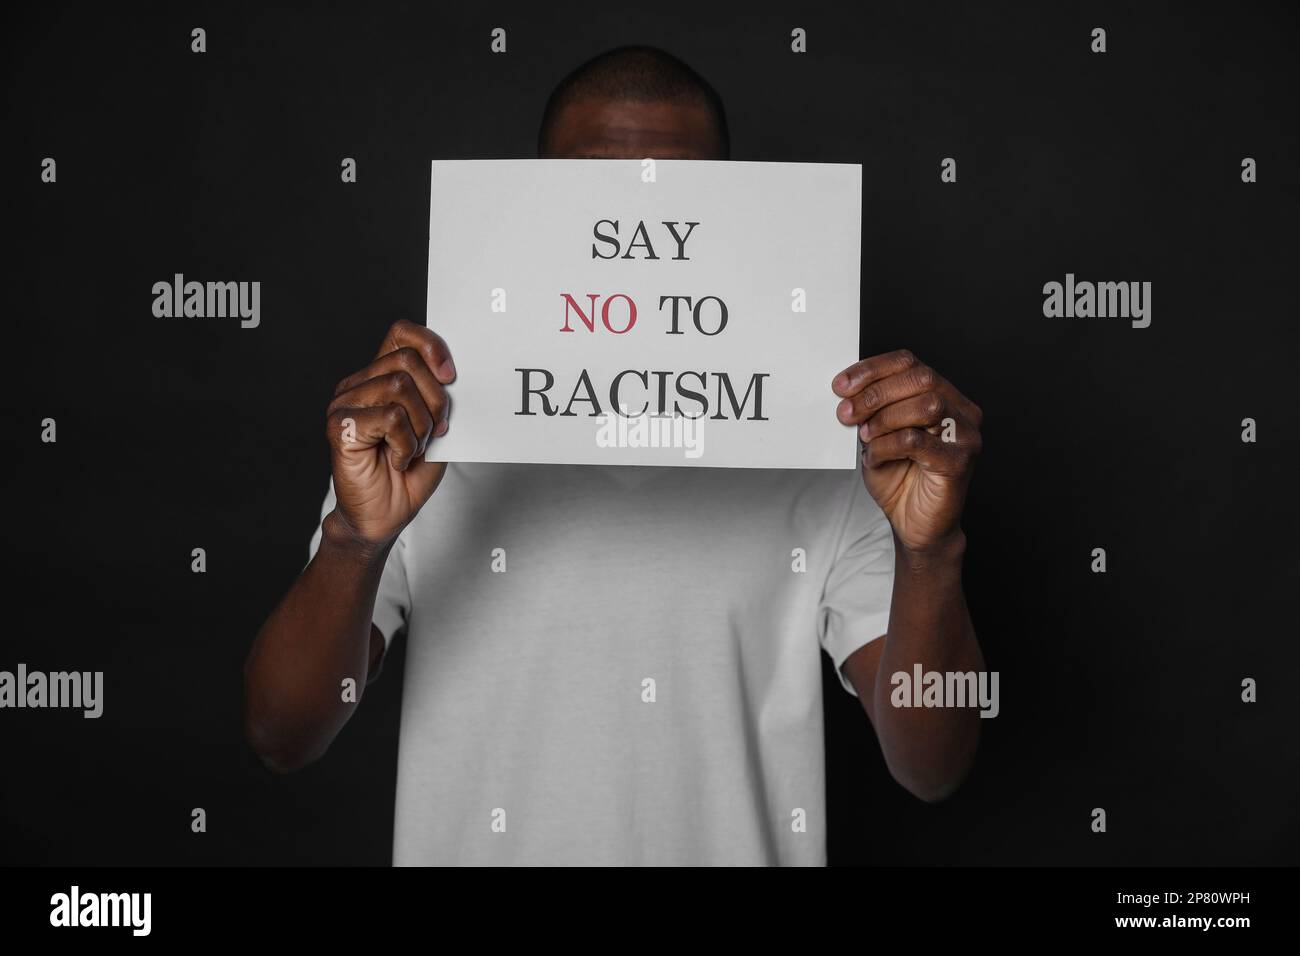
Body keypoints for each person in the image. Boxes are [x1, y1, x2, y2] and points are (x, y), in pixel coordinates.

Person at [243, 45, 985, 865]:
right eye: (594, 192)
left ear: (735, 213)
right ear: (534, 204)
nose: (637, 226)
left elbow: (934, 766)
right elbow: (282, 734)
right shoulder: (422, 434)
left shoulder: (832, 444)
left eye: (680, 197)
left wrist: (933, 552)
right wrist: (353, 540)